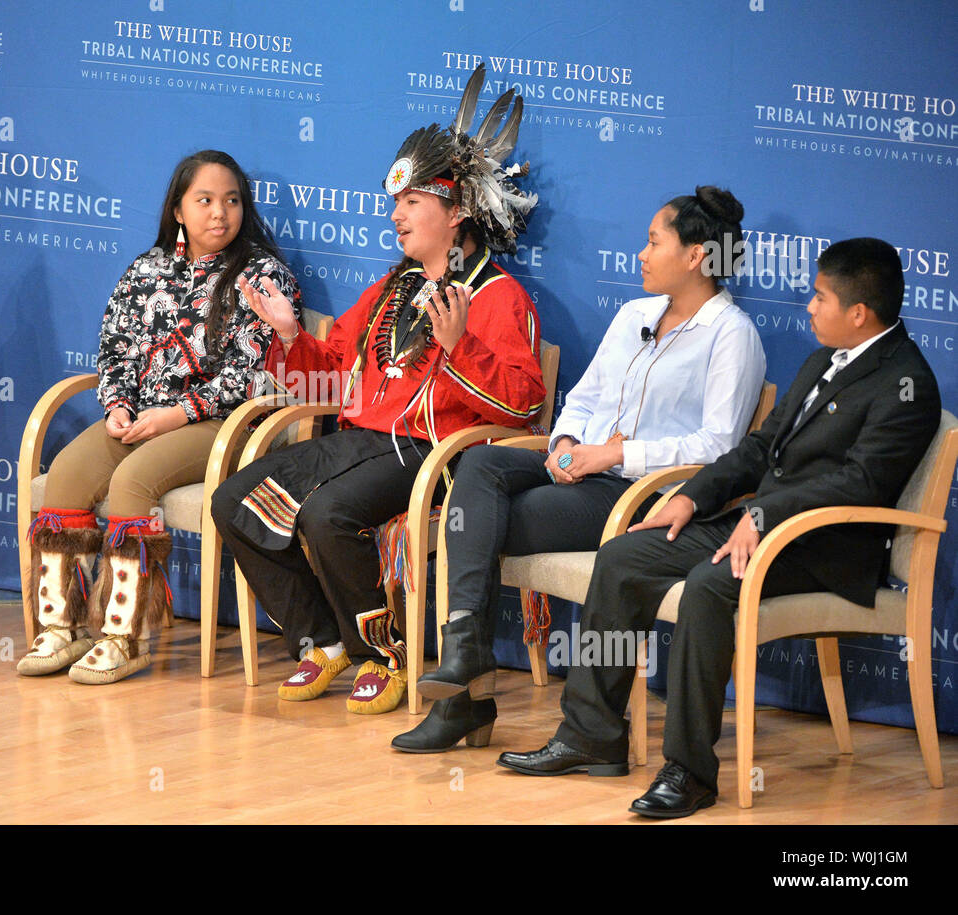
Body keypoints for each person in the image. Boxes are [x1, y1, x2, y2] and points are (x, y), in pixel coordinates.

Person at [498, 237, 940, 818]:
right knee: (625, 557)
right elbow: (758, 450)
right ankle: (591, 734)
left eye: (820, 297)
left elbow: (858, 486)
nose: (808, 307)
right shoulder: (822, 361)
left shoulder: (907, 385)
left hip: (826, 546)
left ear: (859, 313)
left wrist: (761, 516)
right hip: (758, 527)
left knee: (709, 586)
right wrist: (691, 497)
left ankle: (688, 772)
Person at [210, 64, 546, 716]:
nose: (395, 216)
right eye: (395, 203)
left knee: (326, 514)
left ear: (459, 211)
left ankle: (381, 654)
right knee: (233, 499)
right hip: (360, 440)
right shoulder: (390, 288)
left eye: (411, 202)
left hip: (431, 456)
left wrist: (461, 348)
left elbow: (523, 404)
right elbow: (333, 374)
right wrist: (288, 334)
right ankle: (321, 639)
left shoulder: (500, 298)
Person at [392, 186, 766, 753]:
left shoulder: (732, 335)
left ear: (695, 256)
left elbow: (718, 446)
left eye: (653, 241)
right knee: (484, 462)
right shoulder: (634, 314)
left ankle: (461, 692)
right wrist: (566, 442)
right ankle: (465, 652)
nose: (640, 254)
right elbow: (586, 397)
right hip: (580, 468)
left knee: (475, 521)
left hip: (638, 493)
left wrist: (613, 454)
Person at [18, 150, 299, 685]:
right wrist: (119, 405)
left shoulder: (262, 275)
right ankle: (64, 626)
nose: (220, 213)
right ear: (178, 209)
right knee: (67, 476)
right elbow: (115, 350)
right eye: (206, 200)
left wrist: (175, 415)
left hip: (220, 426)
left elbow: (248, 373)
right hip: (143, 418)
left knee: (132, 481)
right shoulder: (145, 270)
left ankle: (126, 636)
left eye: (232, 201)